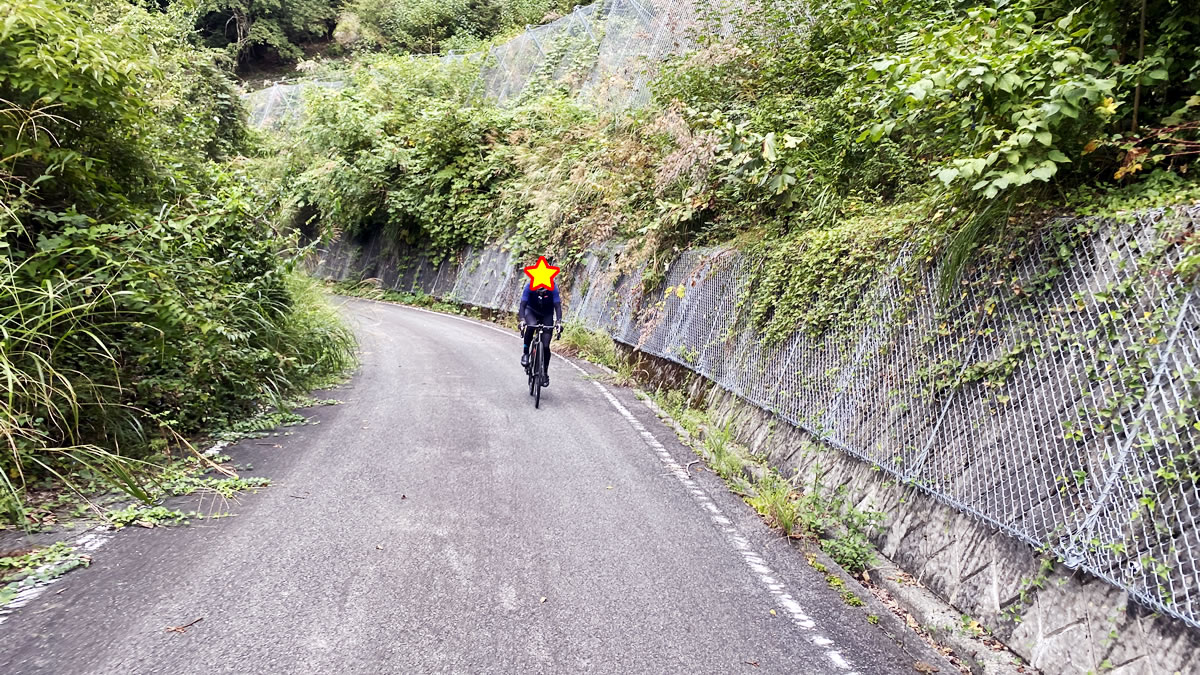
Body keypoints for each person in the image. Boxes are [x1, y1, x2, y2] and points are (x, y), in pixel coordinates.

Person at [519, 281, 562, 387]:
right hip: (531, 311)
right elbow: (523, 305)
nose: (541, 294)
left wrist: (558, 323)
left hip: (547, 314)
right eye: (539, 291)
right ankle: (525, 353)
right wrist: (522, 320)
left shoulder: (553, 288)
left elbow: (557, 306)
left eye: (544, 292)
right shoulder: (529, 286)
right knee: (531, 325)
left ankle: (545, 373)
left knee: (546, 346)